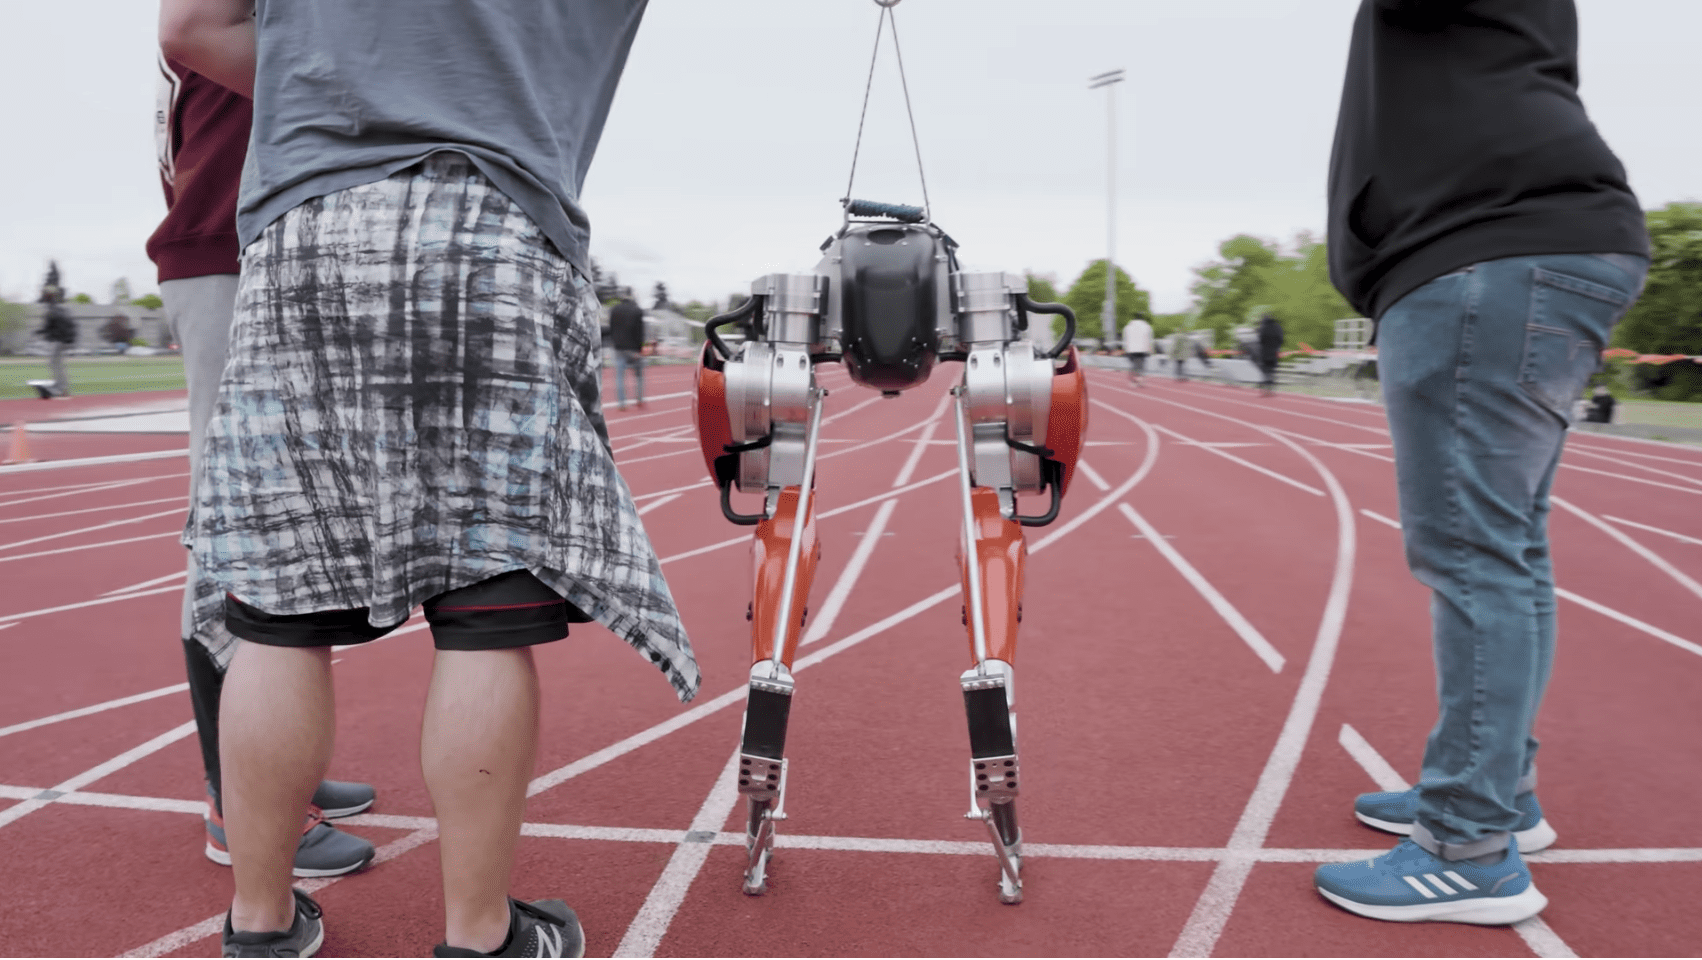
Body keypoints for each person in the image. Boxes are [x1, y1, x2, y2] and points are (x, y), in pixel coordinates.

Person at [160, 1, 700, 956]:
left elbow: (194, 25)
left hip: (306, 224)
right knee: (486, 602)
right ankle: (481, 936)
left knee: (275, 608)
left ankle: (259, 923)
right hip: (494, 219)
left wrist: (341, 84)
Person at [1315, 0, 1649, 925]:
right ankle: (1498, 794)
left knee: (1474, 557)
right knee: (1510, 550)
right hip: (1538, 240)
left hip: (1486, 250)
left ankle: (1469, 845)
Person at [147, 52, 377, 883]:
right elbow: (198, 28)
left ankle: (273, 765)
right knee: (233, 526)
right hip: (228, 248)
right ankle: (234, 803)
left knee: (293, 522)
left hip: (257, 242)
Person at [609, 295, 646, 409]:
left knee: (620, 376)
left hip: (619, 348)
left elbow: (611, 328)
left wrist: (614, 342)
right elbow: (640, 330)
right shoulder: (637, 311)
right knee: (639, 375)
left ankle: (622, 403)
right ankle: (639, 399)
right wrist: (640, 348)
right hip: (634, 348)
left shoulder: (614, 310)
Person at [1123, 313, 1154, 385]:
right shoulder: (1147, 327)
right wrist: (1151, 349)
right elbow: (1150, 339)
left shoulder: (1127, 327)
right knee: (1142, 365)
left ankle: (1133, 381)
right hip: (1143, 349)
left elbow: (1125, 339)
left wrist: (1125, 349)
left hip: (1131, 349)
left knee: (1133, 365)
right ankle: (1141, 380)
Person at [1256, 314, 1284, 394]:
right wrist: (1277, 347)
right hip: (1274, 352)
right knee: (1272, 370)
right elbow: (1281, 339)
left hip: (1264, 352)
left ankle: (1265, 387)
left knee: (1265, 370)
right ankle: (1271, 387)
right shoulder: (1277, 327)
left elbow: (1260, 340)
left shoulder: (1262, 328)